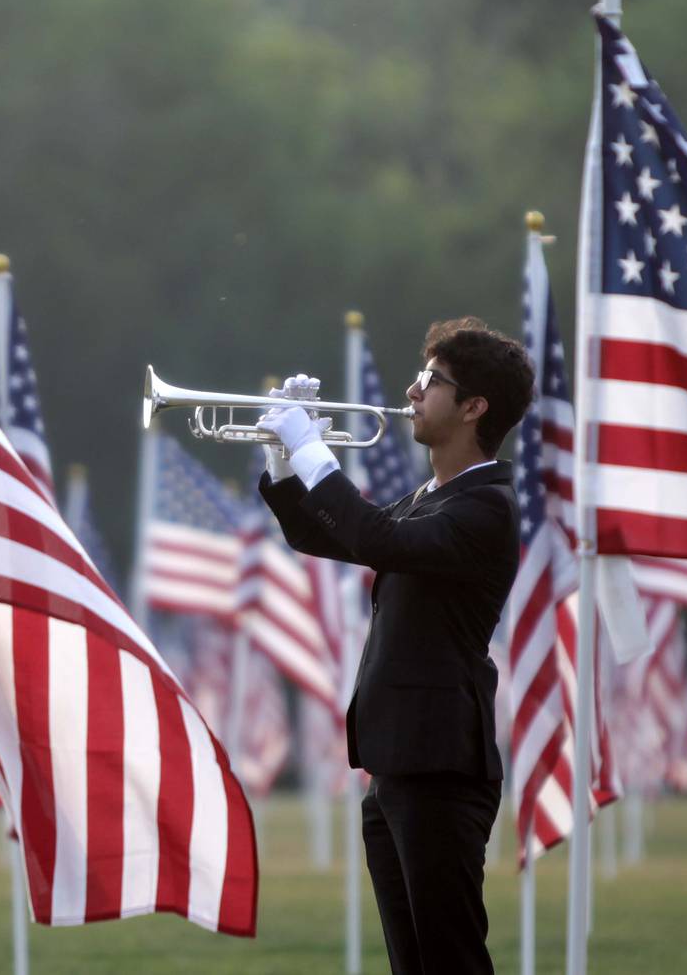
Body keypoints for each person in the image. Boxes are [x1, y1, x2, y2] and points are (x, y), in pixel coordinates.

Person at [255, 316, 534, 975]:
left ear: (474, 407)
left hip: (440, 767)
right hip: (398, 762)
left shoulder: (485, 505)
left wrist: (313, 450)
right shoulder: (436, 497)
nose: (412, 391)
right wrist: (281, 454)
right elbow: (328, 537)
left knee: (450, 960)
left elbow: (379, 540)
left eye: (430, 380)